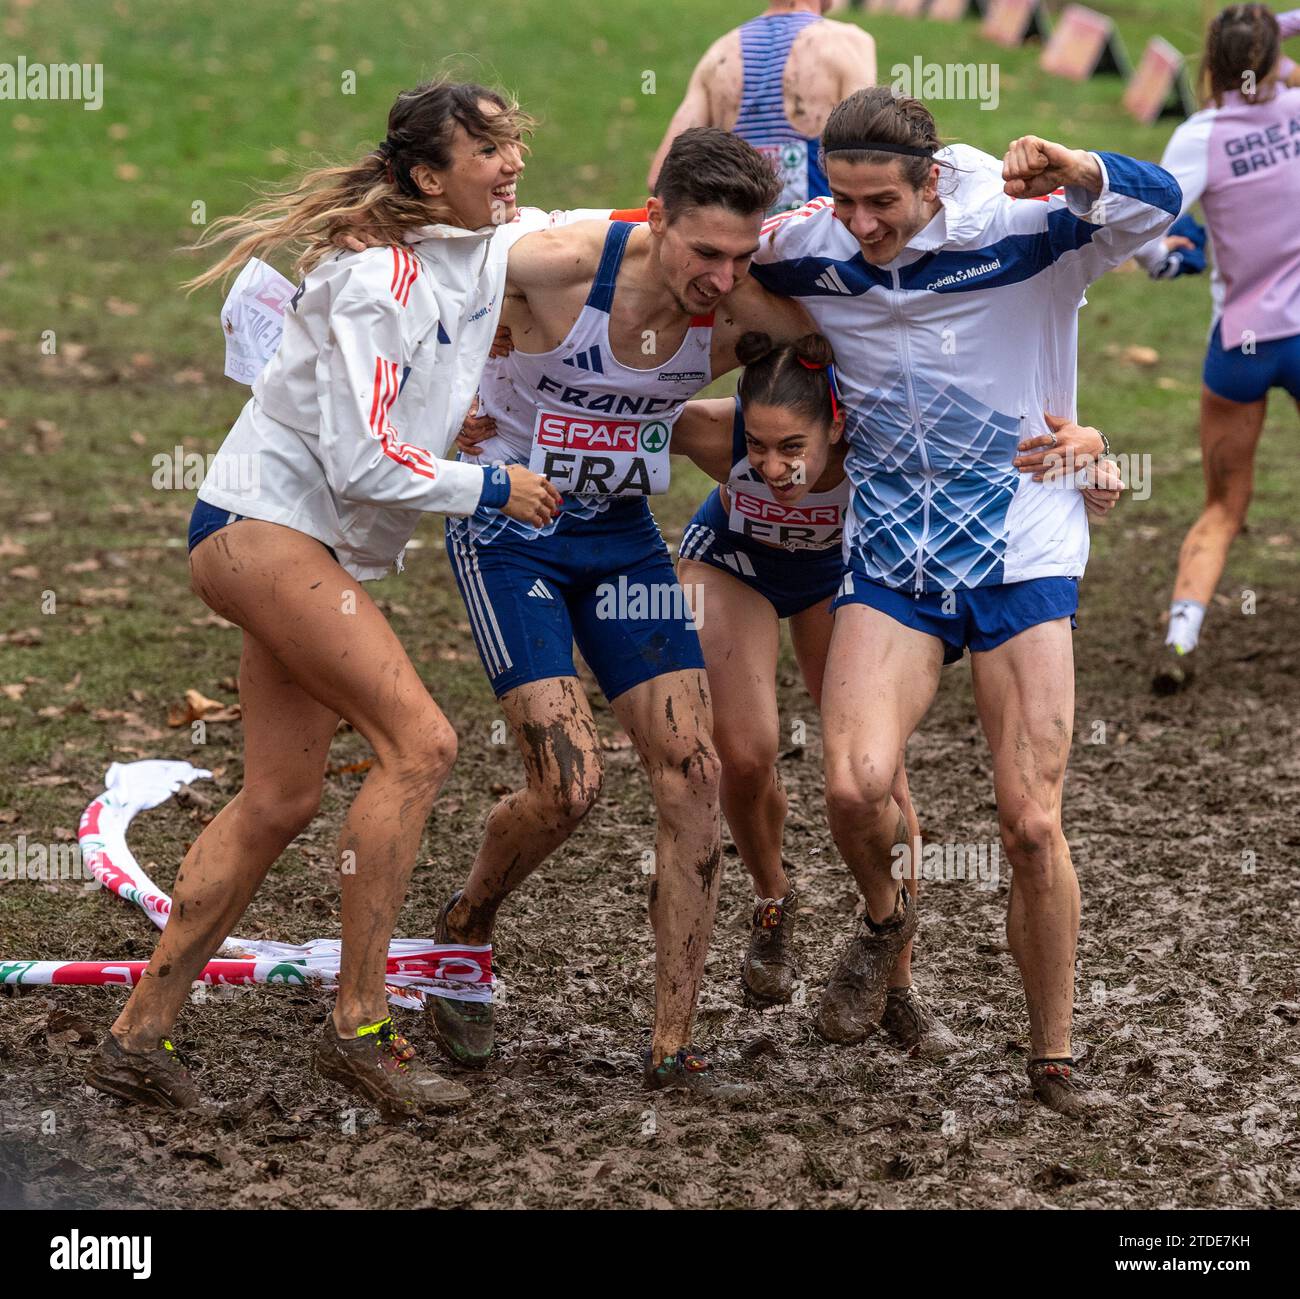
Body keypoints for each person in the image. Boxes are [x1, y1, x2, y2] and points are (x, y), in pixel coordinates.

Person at [85, 81, 561, 1121]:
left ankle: (139, 1034)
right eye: (486, 148)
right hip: (262, 534)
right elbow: (365, 462)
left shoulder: (480, 240)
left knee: (280, 801)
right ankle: (360, 1026)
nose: (511, 160)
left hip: (280, 540)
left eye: (512, 140)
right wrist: (491, 483)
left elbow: (606, 232)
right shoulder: (371, 277)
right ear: (429, 176)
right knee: (422, 745)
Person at [750, 87, 1178, 1115]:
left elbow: (1160, 205)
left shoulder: (1025, 228)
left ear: (931, 180)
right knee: (854, 790)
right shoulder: (806, 247)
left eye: (880, 202)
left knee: (1029, 822)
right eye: (843, 200)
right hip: (895, 553)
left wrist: (1078, 163)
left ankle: (1052, 1057)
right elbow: (689, 252)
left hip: (1022, 544)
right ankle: (886, 918)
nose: (861, 224)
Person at [435, 129, 818, 1097]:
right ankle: (463, 933)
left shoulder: (747, 313)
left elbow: (867, 356)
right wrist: (442, 411)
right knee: (568, 787)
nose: (722, 278)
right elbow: (399, 270)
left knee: (697, 772)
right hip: (508, 526)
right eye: (704, 253)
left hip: (619, 539)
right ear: (655, 220)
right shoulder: (554, 264)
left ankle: (670, 1046)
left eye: (741, 256)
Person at [671, 332, 1122, 1058]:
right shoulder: (719, 432)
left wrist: (1095, 444)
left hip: (841, 576)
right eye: (758, 447)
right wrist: (485, 401)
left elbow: (994, 424)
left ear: (836, 427)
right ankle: (773, 899)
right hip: (736, 560)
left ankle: (897, 979)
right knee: (746, 754)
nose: (774, 467)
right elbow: (611, 411)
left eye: (794, 448)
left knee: (878, 778)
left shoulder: (879, 431)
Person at [1133, 5, 1300, 694]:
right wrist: (1275, 24)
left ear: (1213, 63)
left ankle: (1180, 636)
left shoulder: (1199, 137)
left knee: (1223, 505)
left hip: (1241, 345)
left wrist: (1172, 261)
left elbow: (1146, 239)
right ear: (1274, 57)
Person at [647, 0, 876, 214]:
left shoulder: (719, 54)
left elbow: (659, 177)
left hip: (743, 247)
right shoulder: (847, 43)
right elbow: (867, 159)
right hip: (819, 246)